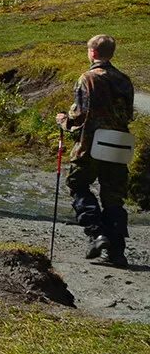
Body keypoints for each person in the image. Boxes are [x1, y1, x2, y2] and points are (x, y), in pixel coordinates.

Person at [57, 35, 134, 267]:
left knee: (78, 185)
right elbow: (128, 115)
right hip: (119, 143)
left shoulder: (88, 78)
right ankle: (117, 252)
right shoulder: (124, 80)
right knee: (113, 197)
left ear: (92, 53)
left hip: (91, 144)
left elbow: (79, 115)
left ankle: (97, 234)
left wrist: (63, 121)